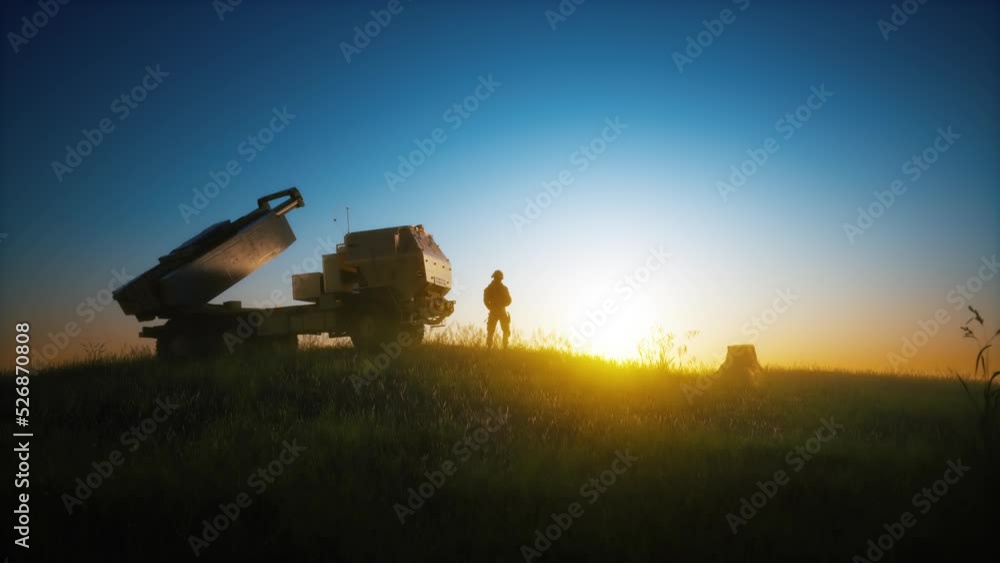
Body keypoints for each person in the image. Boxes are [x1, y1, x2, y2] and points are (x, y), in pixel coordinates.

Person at [483, 269, 511, 350]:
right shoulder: (503, 288)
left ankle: (490, 348)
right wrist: (501, 305)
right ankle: (504, 348)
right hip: (500, 311)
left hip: (496, 311)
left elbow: (485, 300)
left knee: (492, 331)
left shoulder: (490, 288)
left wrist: (491, 307)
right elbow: (509, 300)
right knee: (502, 330)